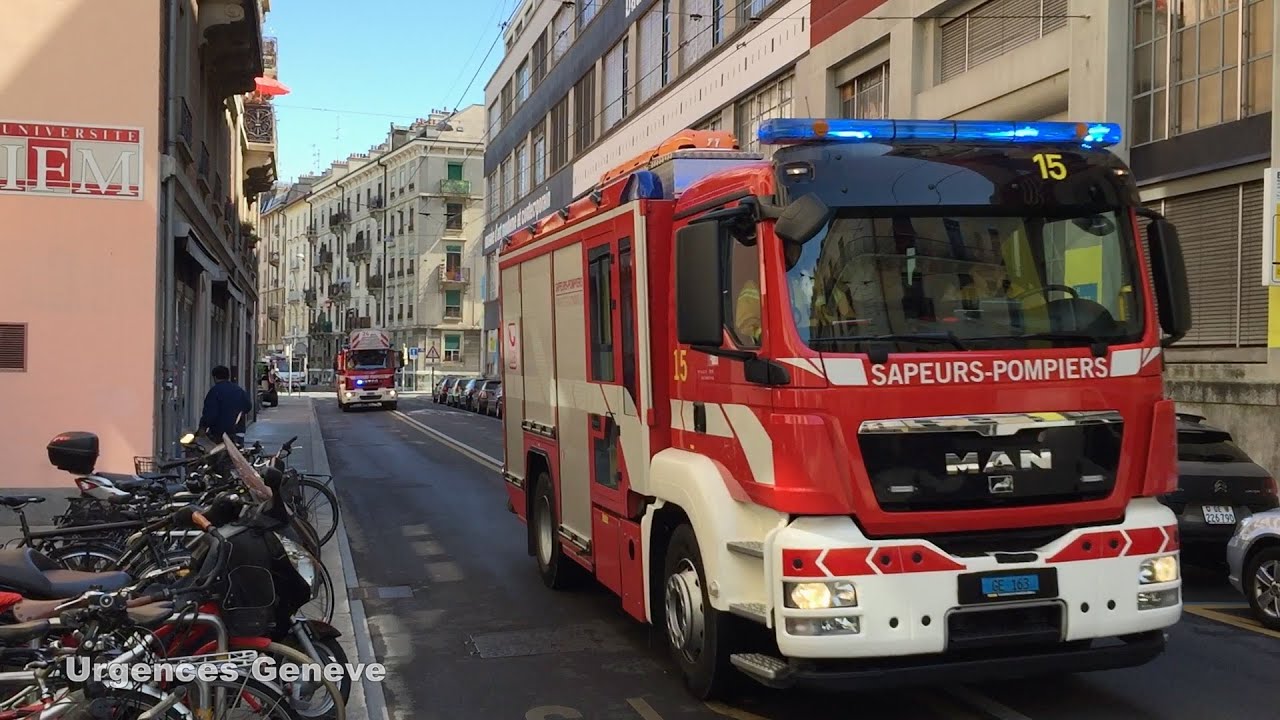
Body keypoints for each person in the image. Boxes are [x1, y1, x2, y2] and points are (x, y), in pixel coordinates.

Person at [199, 365, 251, 444]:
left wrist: (203, 426)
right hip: (237, 431)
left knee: (217, 454)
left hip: (219, 433)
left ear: (215, 377)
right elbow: (248, 406)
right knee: (237, 454)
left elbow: (210, 413)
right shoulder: (238, 390)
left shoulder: (215, 391)